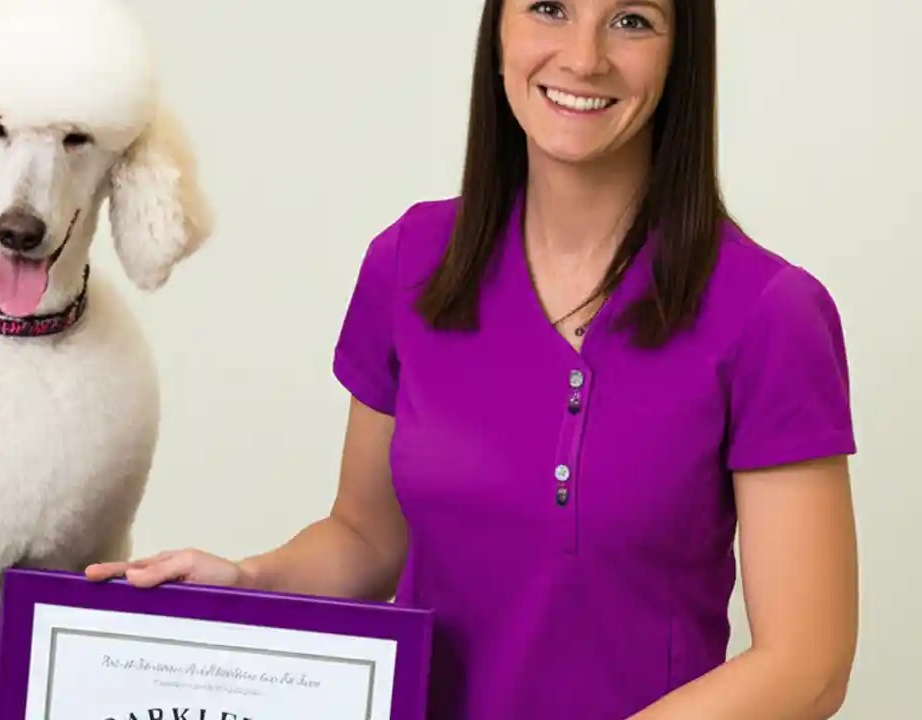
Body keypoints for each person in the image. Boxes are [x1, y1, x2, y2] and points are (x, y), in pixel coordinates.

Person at [87, 0, 860, 717]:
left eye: (631, 19)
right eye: (549, 9)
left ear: (682, 53)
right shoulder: (410, 263)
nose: (583, 58)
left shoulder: (769, 313)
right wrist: (249, 579)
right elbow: (366, 538)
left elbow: (809, 663)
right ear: (499, 33)